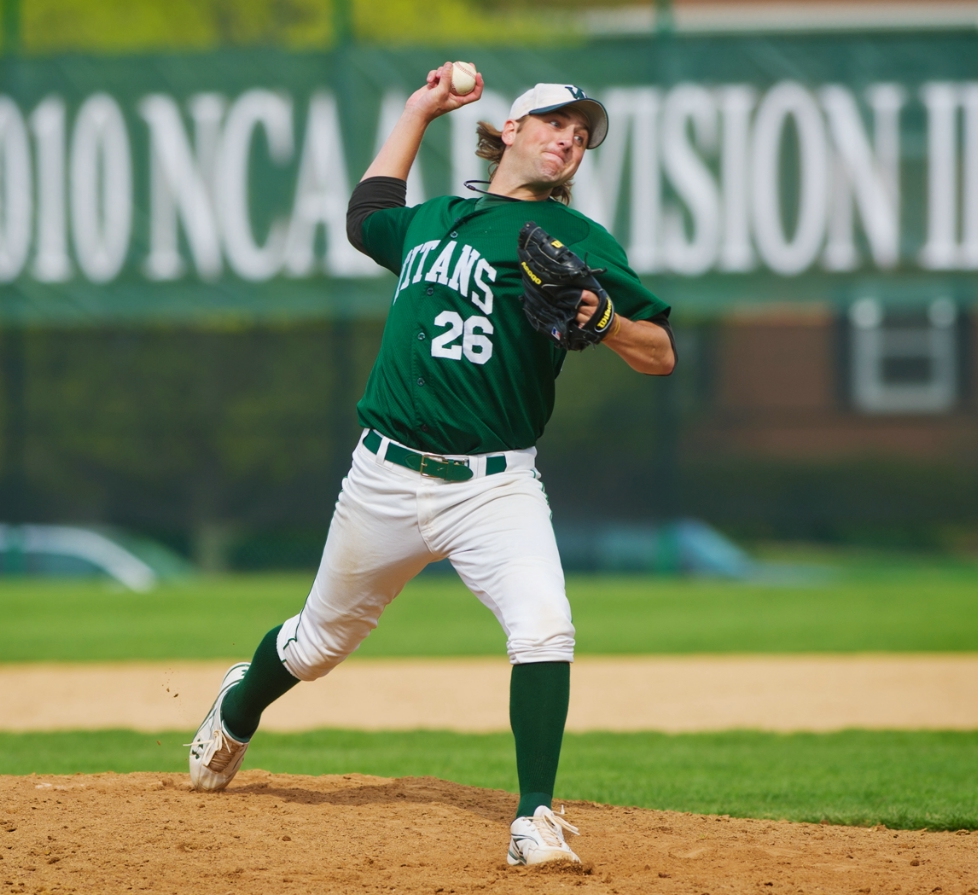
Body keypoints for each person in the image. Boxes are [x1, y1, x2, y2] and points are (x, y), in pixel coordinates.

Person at [189, 62, 676, 866]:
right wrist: (420, 108)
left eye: (583, 134)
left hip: (495, 486)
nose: (570, 138)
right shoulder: (439, 217)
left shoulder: (580, 242)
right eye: (556, 121)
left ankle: (534, 819)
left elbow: (659, 352)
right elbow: (367, 213)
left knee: (546, 627)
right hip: (382, 475)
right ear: (510, 131)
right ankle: (237, 708)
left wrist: (602, 314)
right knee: (315, 645)